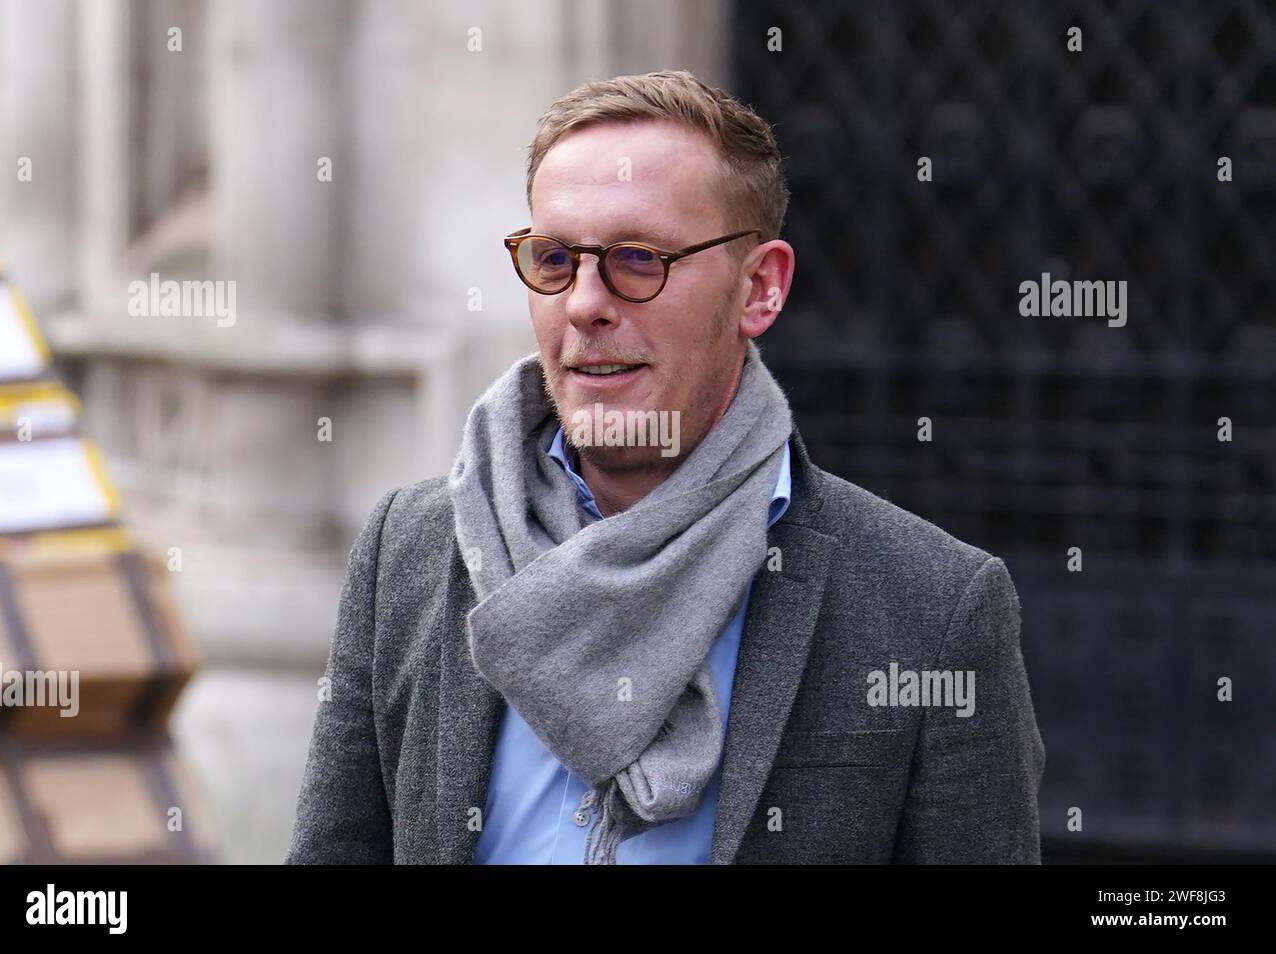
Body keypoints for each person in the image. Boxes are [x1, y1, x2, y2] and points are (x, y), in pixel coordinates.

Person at [286, 69, 1044, 865]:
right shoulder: (409, 548)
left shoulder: (931, 609)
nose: (584, 303)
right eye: (553, 259)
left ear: (760, 288)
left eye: (639, 259)